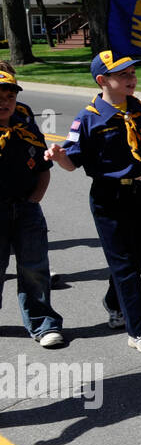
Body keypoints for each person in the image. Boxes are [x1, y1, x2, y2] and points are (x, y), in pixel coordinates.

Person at [46, 52, 141, 353]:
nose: (131, 78)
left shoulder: (139, 109)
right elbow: (72, 163)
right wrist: (60, 156)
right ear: (103, 81)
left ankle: (114, 302)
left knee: (135, 260)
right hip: (109, 197)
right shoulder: (88, 117)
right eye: (123, 74)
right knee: (124, 264)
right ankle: (140, 330)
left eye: (132, 73)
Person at [0, 69, 65, 348]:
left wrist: (36, 198)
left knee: (34, 269)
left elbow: (42, 165)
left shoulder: (24, 124)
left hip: (26, 209)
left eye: (10, 96)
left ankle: (43, 324)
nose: (4, 102)